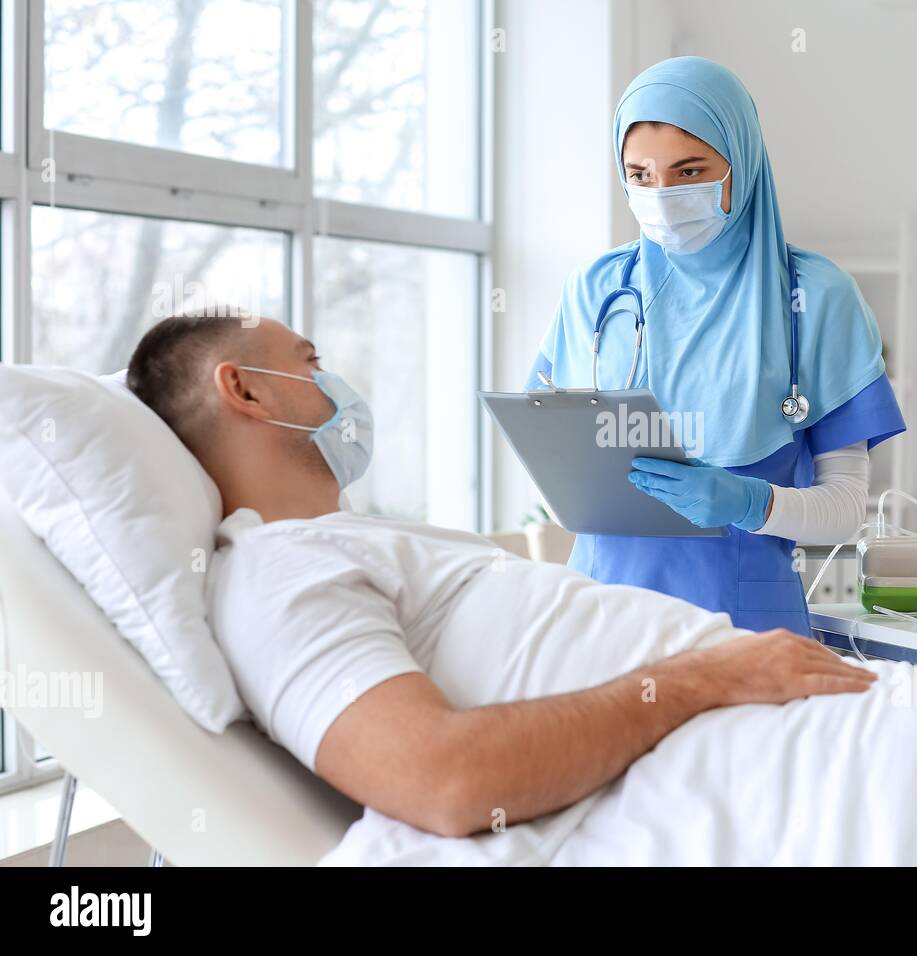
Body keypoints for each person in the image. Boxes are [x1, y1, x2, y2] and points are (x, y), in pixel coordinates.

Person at [126, 314, 877, 839]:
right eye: (310, 361)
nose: (334, 384)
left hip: (789, 711)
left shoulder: (354, 541)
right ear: (245, 391)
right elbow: (445, 781)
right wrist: (707, 677)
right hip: (773, 746)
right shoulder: (274, 573)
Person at [527, 57, 905, 635]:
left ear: (742, 162)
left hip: (745, 628)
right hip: (599, 623)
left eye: (689, 171)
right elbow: (553, 461)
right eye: (640, 174)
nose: (661, 195)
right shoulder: (596, 289)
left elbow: (846, 512)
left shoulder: (816, 296)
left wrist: (752, 503)